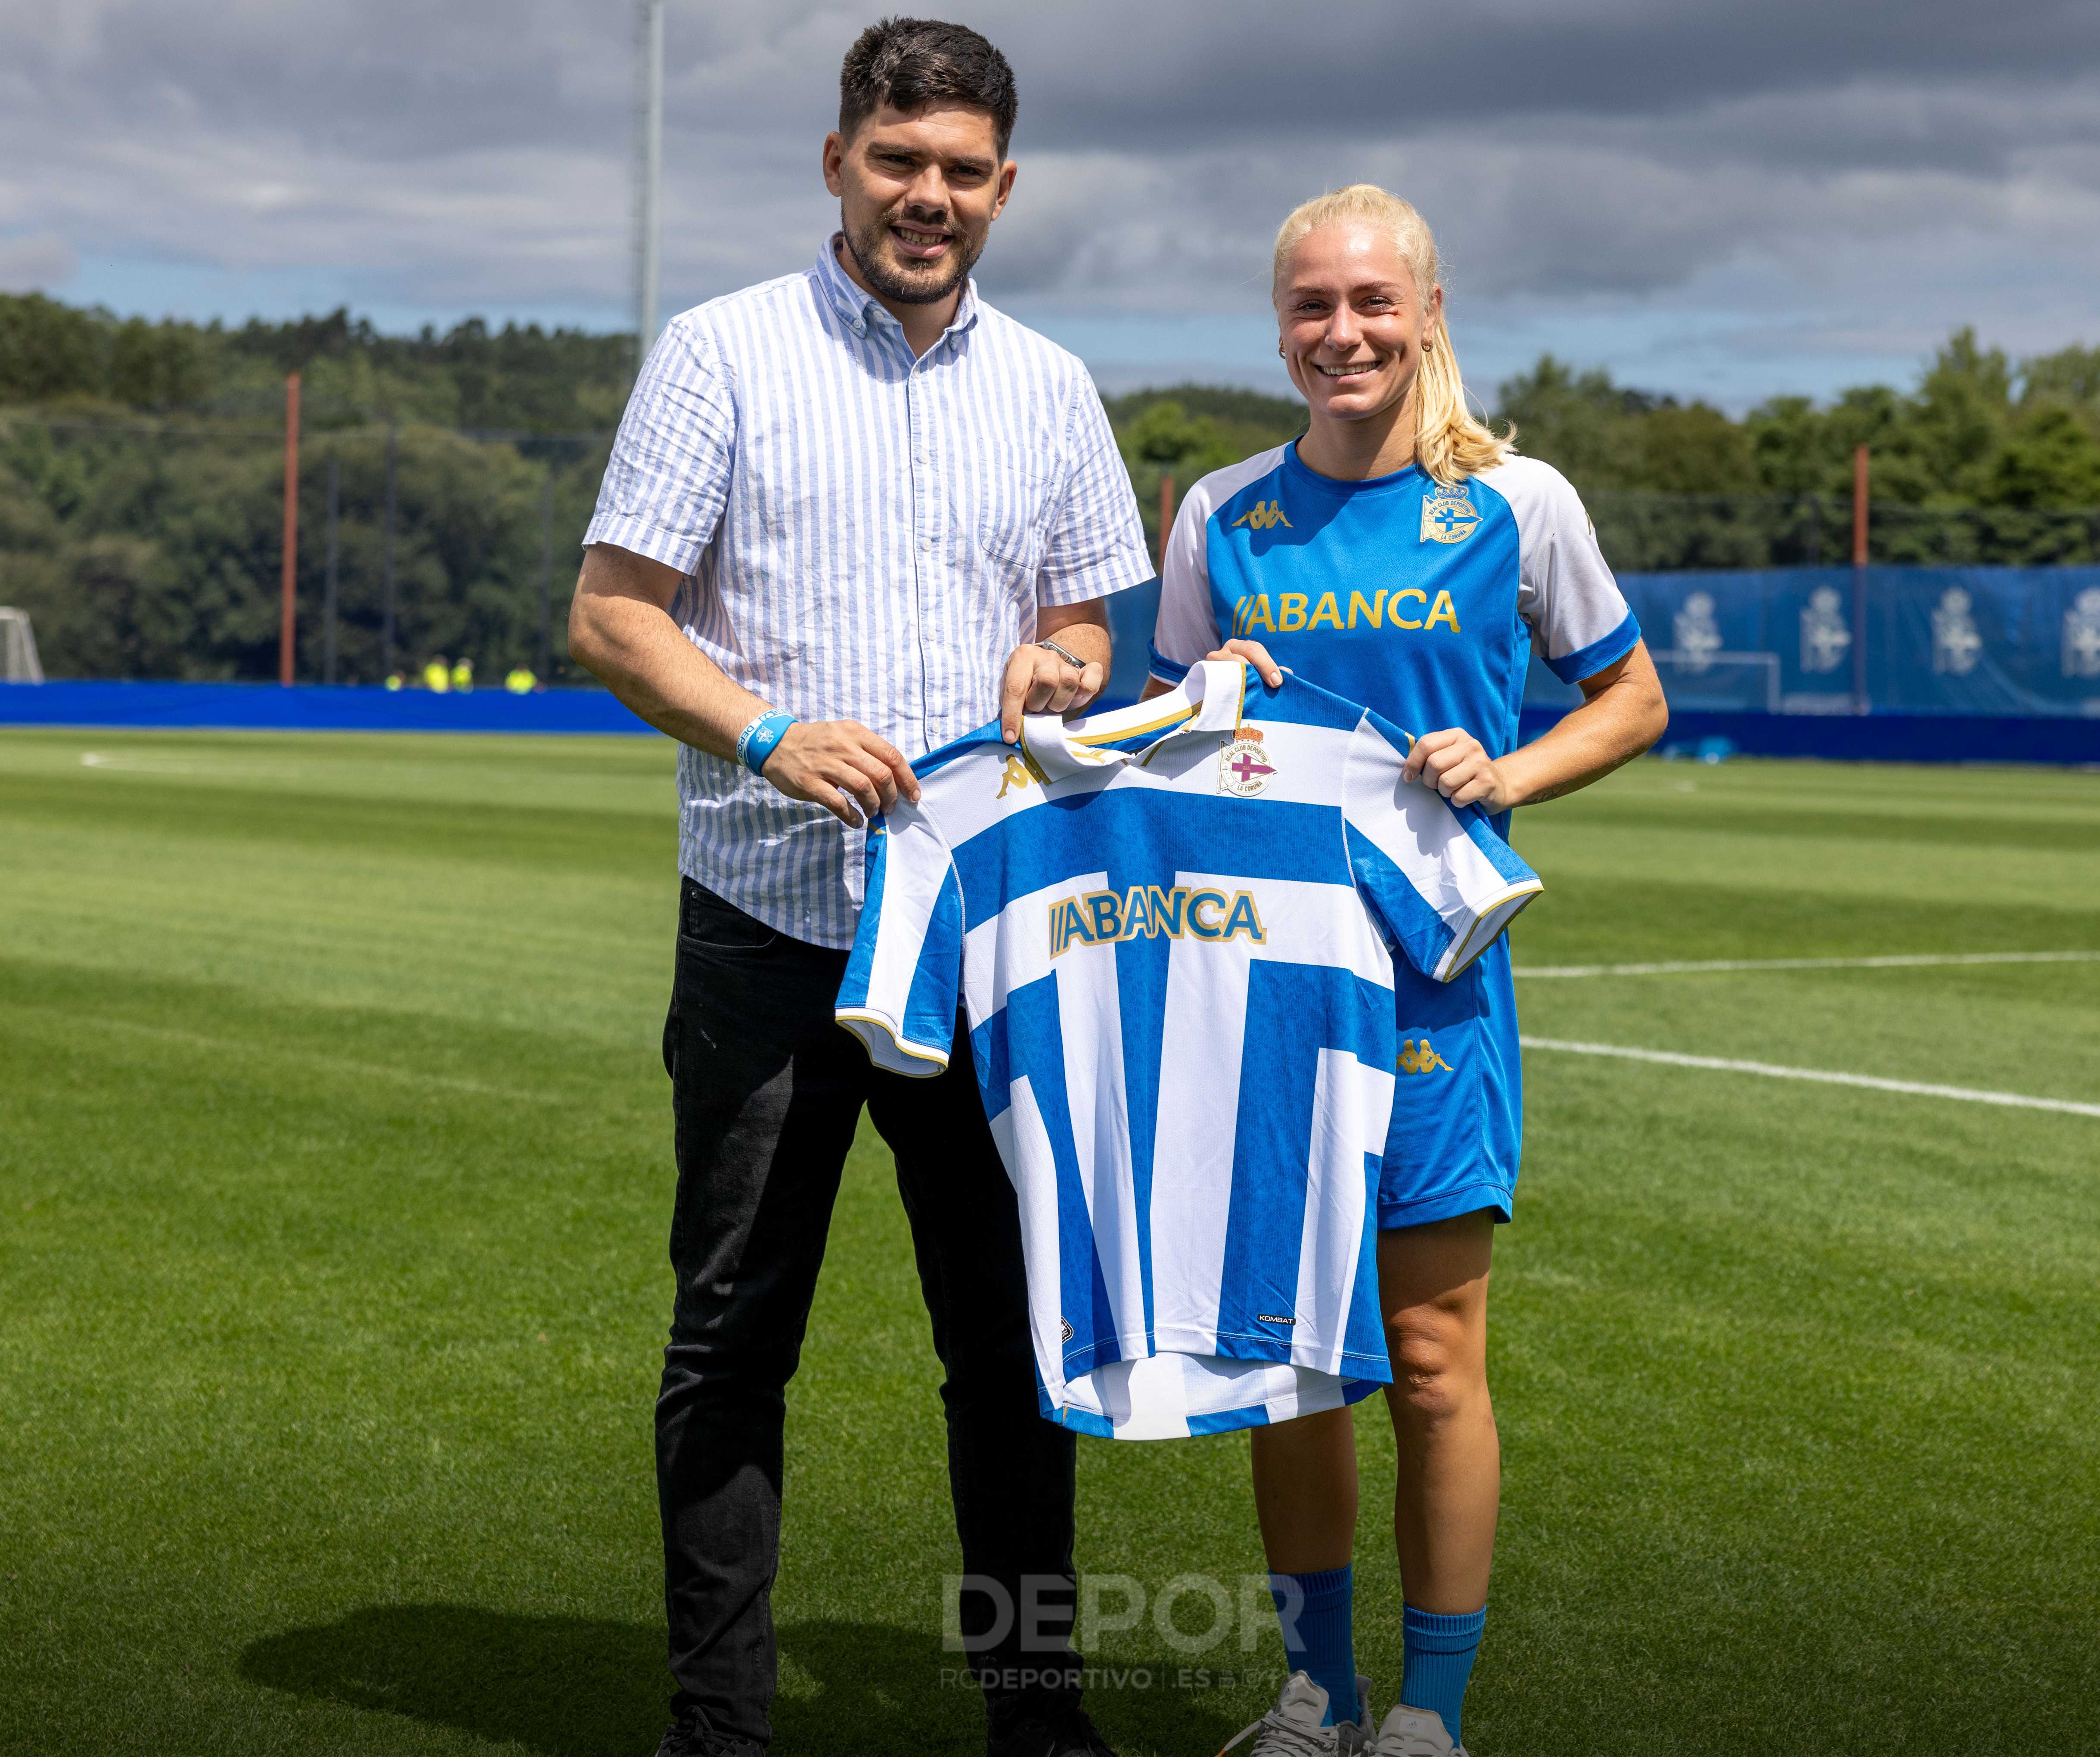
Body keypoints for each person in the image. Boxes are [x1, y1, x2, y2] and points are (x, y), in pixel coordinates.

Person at [566, 19, 1149, 1757]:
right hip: (767, 921)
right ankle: (718, 1730)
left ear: (1003, 185)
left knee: (1011, 1348)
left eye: (962, 171)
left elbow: (1086, 623)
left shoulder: (1047, 383)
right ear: (837, 162)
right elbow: (611, 615)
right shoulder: (718, 354)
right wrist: (764, 732)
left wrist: (1057, 666)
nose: (928, 197)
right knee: (733, 1344)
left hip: (981, 939)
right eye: (897, 162)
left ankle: (1035, 1719)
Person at [1150, 185, 1668, 1757]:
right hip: (1264, 994)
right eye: (1314, 305)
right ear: (1281, 325)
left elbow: (1633, 696)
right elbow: (1169, 746)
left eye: (1374, 302)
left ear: (1430, 312)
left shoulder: (1521, 502)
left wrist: (1511, 774)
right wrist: (1201, 698)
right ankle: (1318, 1692)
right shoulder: (1221, 516)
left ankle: (1430, 1712)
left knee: (1435, 1363)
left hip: (1436, 989)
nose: (1344, 333)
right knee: (1292, 1359)